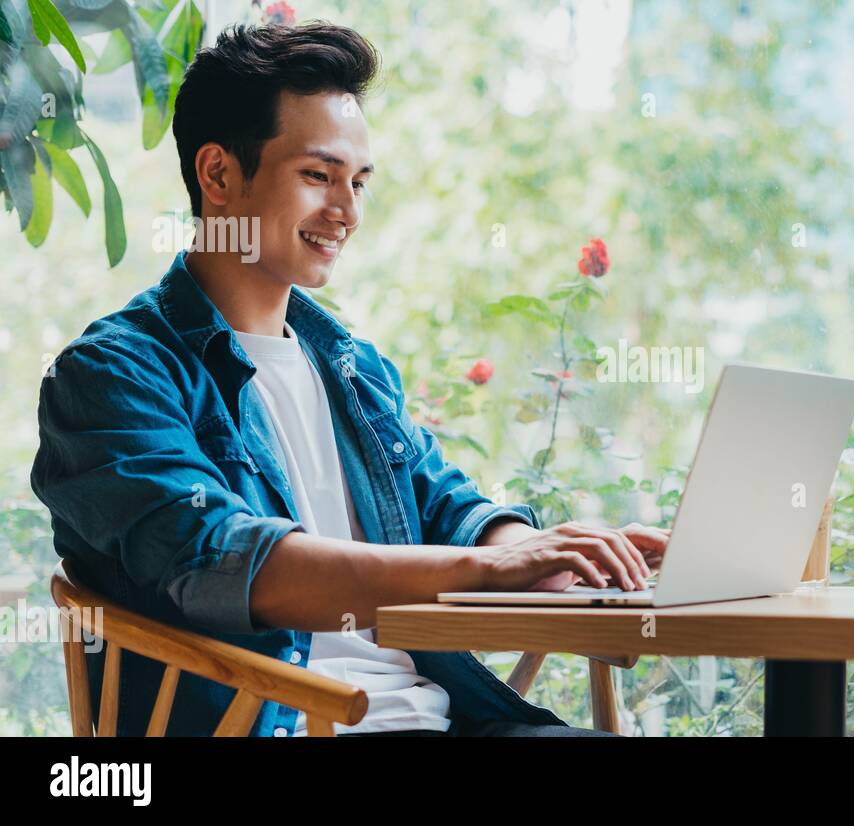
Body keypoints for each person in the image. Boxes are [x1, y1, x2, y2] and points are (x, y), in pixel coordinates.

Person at [30, 22, 667, 737]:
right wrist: (490, 571)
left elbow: (451, 512)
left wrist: (570, 557)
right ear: (218, 175)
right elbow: (228, 563)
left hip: (447, 719)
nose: (347, 212)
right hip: (285, 725)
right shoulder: (113, 374)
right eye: (317, 176)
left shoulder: (350, 368)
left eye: (358, 182)